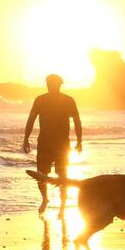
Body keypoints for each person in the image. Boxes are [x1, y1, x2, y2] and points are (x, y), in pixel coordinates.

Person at [23, 73, 83, 213]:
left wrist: (79, 140)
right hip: (44, 143)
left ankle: (62, 206)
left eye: (53, 84)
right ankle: (45, 199)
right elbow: (31, 119)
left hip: (62, 144)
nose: (50, 87)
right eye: (48, 84)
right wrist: (26, 138)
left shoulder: (68, 100)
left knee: (62, 175)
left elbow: (77, 120)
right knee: (41, 174)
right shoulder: (40, 100)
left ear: (59, 85)